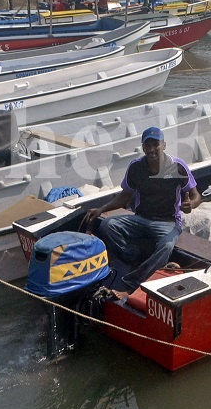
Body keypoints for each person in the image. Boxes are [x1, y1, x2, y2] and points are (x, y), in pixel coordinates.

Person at [85, 127, 201, 298]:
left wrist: (191, 204)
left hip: (168, 222)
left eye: (156, 144)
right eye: (148, 145)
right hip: (141, 219)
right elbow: (124, 197)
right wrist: (101, 209)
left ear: (164, 145)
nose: (152, 149)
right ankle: (133, 256)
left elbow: (196, 195)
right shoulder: (136, 167)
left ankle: (132, 284)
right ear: (143, 147)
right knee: (108, 225)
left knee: (167, 246)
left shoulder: (177, 166)